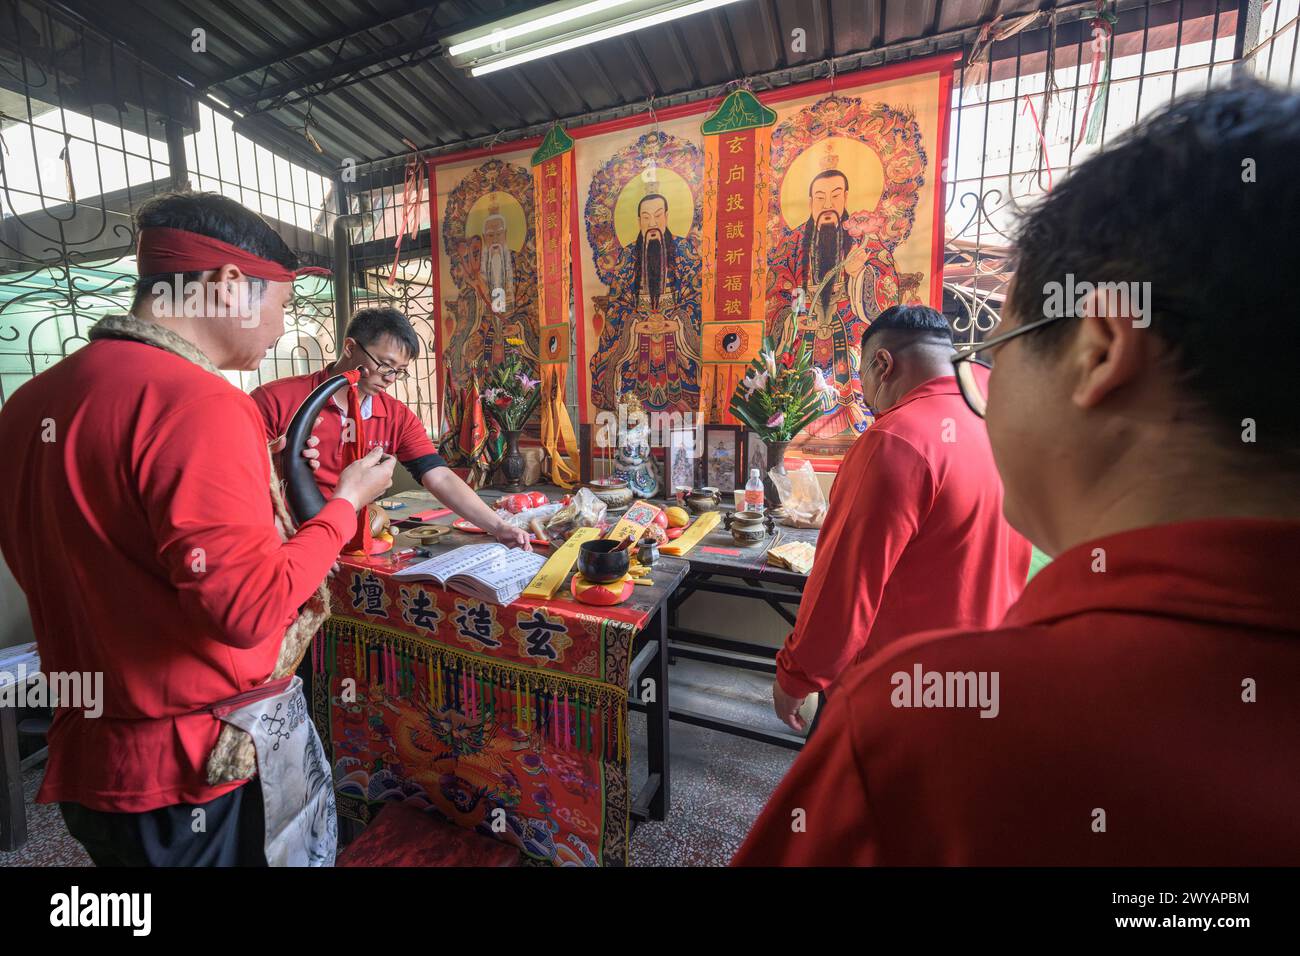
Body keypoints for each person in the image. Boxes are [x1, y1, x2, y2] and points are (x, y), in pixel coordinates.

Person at [735, 82, 1300, 865]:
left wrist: (802, 673)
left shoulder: (916, 729)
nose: (986, 384)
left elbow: (847, 580)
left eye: (1000, 347)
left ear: (1100, 349)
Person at [0, 191, 397, 865]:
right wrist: (344, 505)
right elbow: (250, 611)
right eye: (280, 303)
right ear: (227, 287)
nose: (279, 326)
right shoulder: (202, 402)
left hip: (95, 754)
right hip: (191, 768)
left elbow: (113, 543)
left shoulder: (30, 402)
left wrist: (255, 477)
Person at [771, 304, 1031, 732]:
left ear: (882, 363)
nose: (868, 400)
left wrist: (796, 677)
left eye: (864, 381)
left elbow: (843, 586)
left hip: (900, 690)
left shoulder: (895, 439)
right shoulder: (1001, 417)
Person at [251, 306, 530, 550]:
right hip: (286, 540)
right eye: (385, 365)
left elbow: (439, 477)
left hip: (351, 539)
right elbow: (238, 483)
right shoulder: (276, 400)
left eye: (400, 370)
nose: (391, 378)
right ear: (350, 347)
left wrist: (498, 527)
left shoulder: (396, 415)